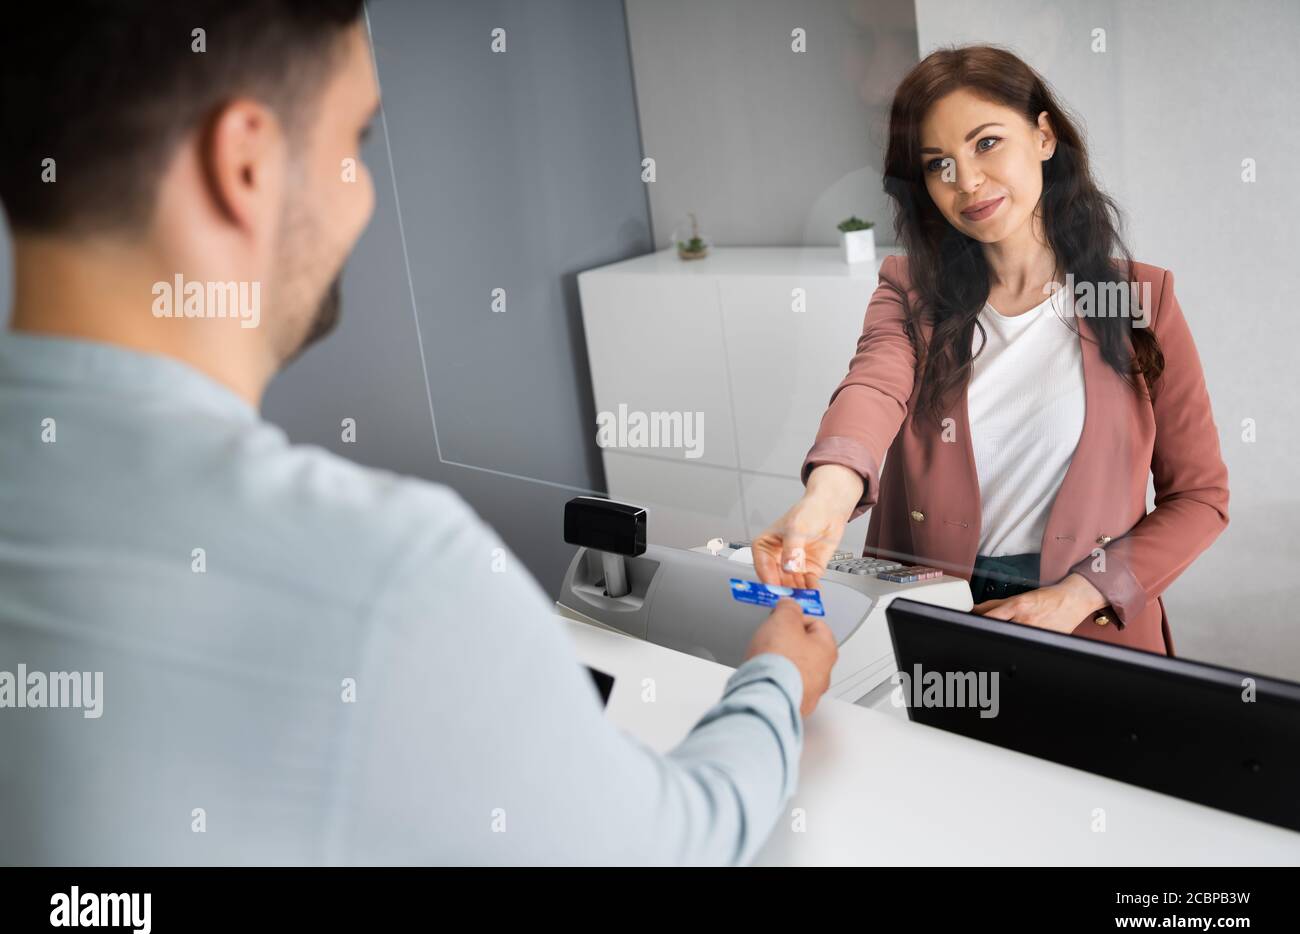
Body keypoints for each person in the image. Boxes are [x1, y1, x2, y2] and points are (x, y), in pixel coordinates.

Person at [0, 2, 836, 865]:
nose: (361, 188)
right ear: (245, 164)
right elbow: (676, 847)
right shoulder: (386, 577)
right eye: (356, 140)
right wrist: (776, 682)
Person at [754, 45, 1228, 657]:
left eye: (986, 143)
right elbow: (874, 385)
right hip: (934, 617)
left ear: (1044, 137)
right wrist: (826, 496)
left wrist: (1082, 593)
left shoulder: (1141, 299)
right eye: (938, 164)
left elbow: (1200, 497)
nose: (967, 182)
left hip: (1090, 625)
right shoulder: (910, 289)